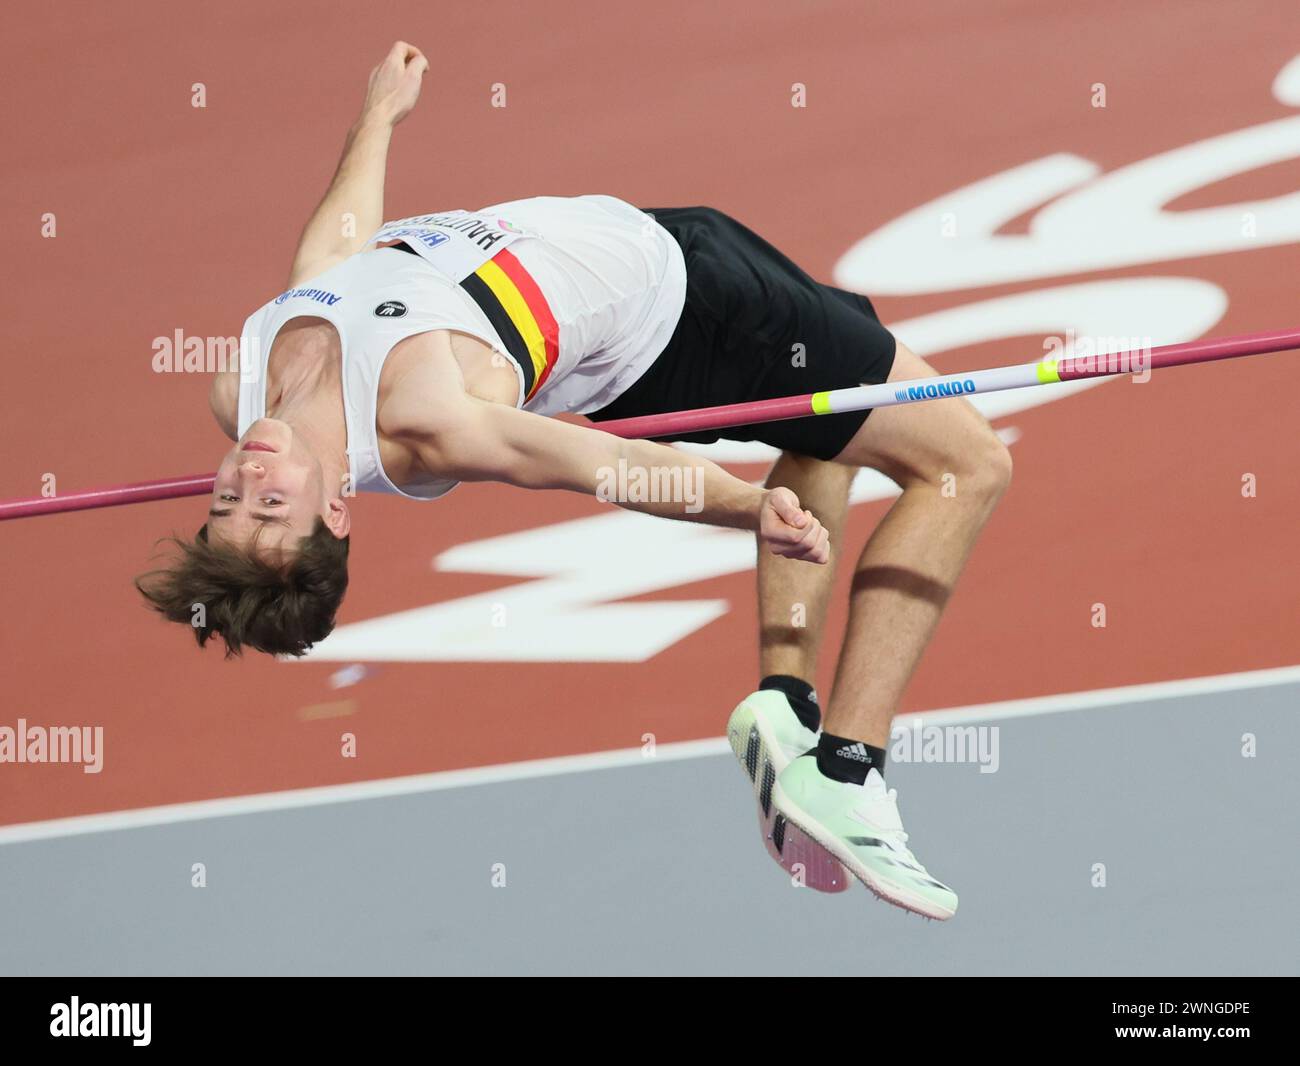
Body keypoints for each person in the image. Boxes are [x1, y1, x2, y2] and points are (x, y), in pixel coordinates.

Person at [137, 42, 1012, 920]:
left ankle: (783, 709)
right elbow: (607, 468)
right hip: (693, 319)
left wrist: (377, 121)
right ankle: (848, 773)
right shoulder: (425, 418)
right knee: (965, 463)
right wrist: (748, 507)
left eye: (228, 500)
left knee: (826, 429)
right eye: (271, 504)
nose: (249, 475)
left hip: (665, 240)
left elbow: (331, 263)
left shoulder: (244, 385)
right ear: (335, 509)